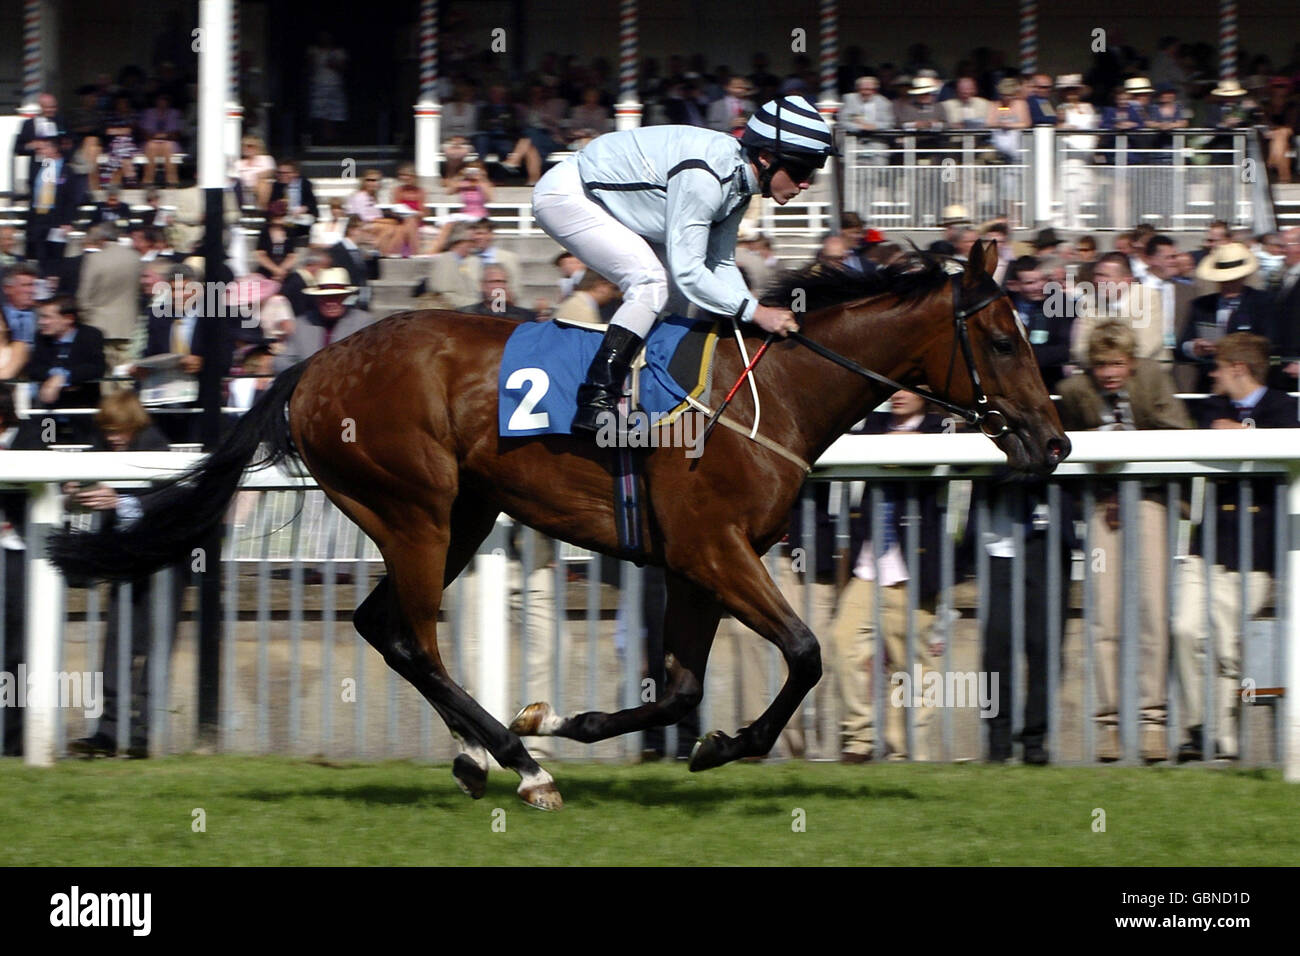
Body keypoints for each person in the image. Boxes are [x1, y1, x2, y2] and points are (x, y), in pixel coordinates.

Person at [531, 95, 835, 437]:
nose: (806, 182)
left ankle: (648, 394)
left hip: (624, 203)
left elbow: (719, 262)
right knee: (651, 282)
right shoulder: (707, 179)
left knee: (675, 299)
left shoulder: (738, 184)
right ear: (765, 158)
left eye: (812, 171)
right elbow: (691, 272)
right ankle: (596, 399)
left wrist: (752, 313)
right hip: (569, 195)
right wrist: (755, 312)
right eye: (800, 170)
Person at [1058, 321, 1191, 761]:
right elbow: (1067, 445)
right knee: (1103, 617)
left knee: (1154, 613)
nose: (1110, 372)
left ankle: (1153, 720)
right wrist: (1105, 472)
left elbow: (1179, 433)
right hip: (1103, 508)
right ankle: (1107, 725)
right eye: (1101, 365)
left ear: (1131, 362)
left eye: (1117, 363)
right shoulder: (1076, 391)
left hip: (1150, 500)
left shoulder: (1152, 377)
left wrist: (1126, 450)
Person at [1172, 333, 1300, 761]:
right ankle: (1200, 727)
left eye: (1219, 368)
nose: (1213, 375)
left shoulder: (1284, 408)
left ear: (1238, 370)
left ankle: (1216, 740)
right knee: (1185, 629)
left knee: (1227, 645)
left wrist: (1246, 431)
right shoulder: (1211, 408)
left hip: (1255, 552)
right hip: (1207, 543)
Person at [831, 391, 948, 762]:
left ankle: (905, 749)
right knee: (841, 641)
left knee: (910, 664)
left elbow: (932, 452)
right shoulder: (874, 424)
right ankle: (861, 738)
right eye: (893, 386)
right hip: (869, 563)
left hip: (914, 567)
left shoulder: (940, 426)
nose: (897, 394)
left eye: (908, 387)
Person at [65, 391, 177, 759]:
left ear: (134, 425)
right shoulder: (102, 444)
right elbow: (79, 484)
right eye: (108, 430)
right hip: (126, 563)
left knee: (155, 649)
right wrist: (73, 488)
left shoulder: (155, 445)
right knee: (117, 647)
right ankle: (109, 733)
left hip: (165, 564)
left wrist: (120, 502)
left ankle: (146, 735)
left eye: (119, 430)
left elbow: (167, 499)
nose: (113, 437)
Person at [1177, 242, 1273, 392]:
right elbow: (1181, 346)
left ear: (1243, 277)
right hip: (1209, 386)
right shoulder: (1201, 305)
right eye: (1224, 280)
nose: (1228, 284)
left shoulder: (1263, 303)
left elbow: (1269, 343)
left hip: (1249, 386)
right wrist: (1194, 348)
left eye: (1233, 279)